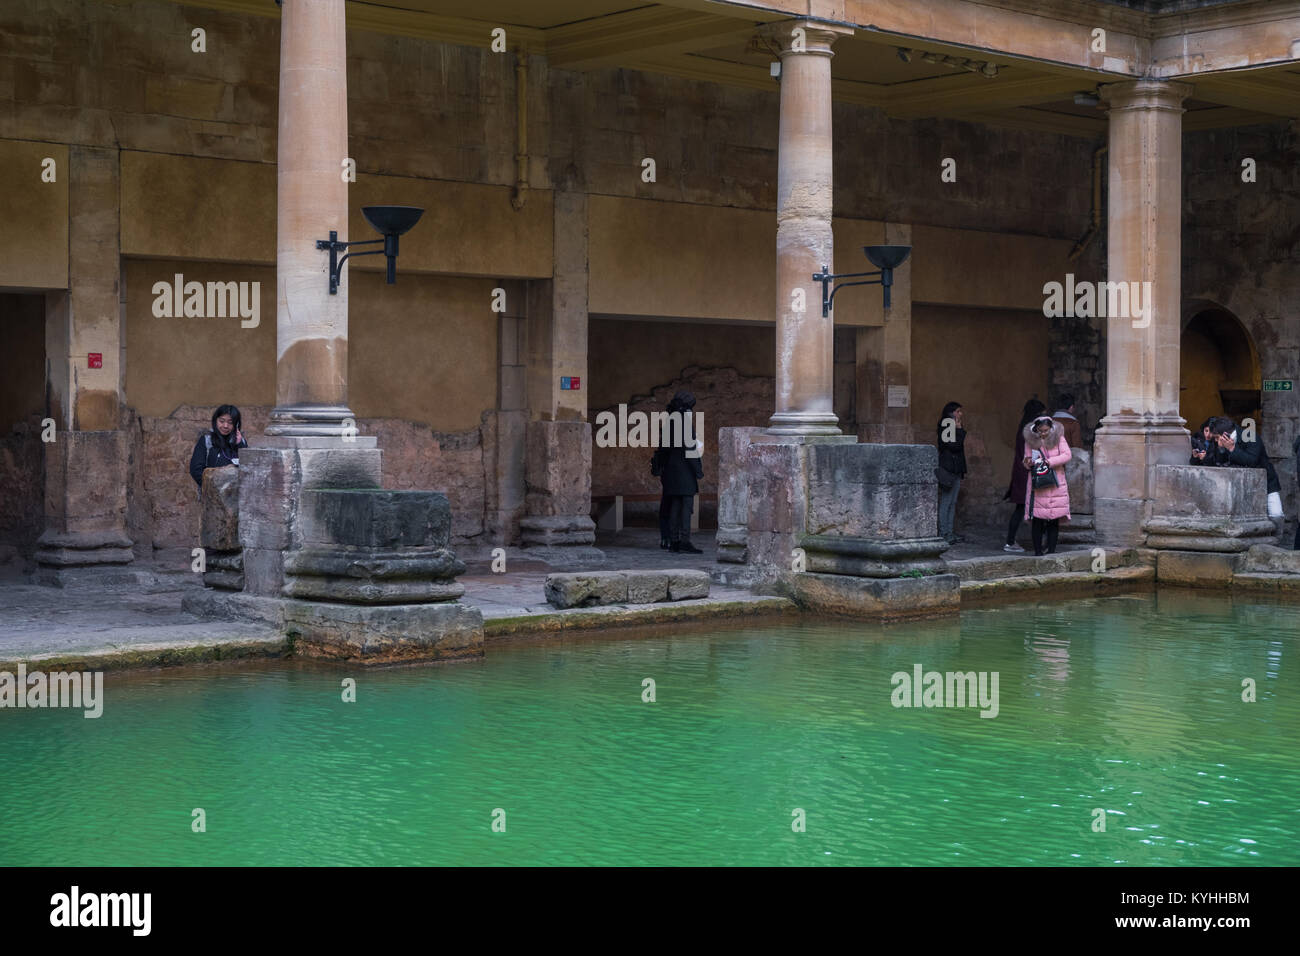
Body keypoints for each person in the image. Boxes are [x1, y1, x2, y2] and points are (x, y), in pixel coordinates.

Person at [652, 390, 704, 554]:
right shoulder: (684, 423)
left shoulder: (670, 422)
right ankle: (685, 541)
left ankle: (674, 540)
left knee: (674, 506)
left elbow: (663, 449)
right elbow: (691, 450)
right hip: (684, 471)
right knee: (686, 507)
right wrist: (698, 470)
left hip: (670, 471)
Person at [1209, 416, 1283, 518]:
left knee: (1276, 514)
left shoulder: (1250, 436)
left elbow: (1252, 461)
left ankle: (1278, 534)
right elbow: (1220, 464)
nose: (1217, 441)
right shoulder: (1223, 443)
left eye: (1217, 437)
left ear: (1225, 435)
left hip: (1267, 483)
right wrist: (1221, 450)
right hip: (1240, 486)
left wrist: (1232, 448)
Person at [1023, 414, 1071, 556]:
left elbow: (1067, 455)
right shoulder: (1030, 440)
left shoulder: (1059, 438)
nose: (1043, 433)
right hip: (1038, 482)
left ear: (1051, 428)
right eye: (1040, 431)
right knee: (1037, 519)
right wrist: (1028, 462)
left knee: (1053, 520)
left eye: (1046, 431)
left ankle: (1051, 551)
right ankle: (1038, 552)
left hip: (1055, 482)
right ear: (1036, 429)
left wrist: (1050, 461)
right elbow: (1026, 458)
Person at [1003, 398, 1046, 552]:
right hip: (1028, 473)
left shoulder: (1023, 428)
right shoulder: (1032, 431)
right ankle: (1013, 542)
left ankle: (1013, 540)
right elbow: (1034, 454)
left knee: (1022, 508)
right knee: (1026, 508)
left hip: (1021, 472)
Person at [190, 404, 247, 490]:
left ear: (236, 425)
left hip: (234, 495)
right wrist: (213, 488)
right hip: (212, 494)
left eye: (230, 422)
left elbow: (247, 468)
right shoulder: (206, 440)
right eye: (222, 421)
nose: (225, 426)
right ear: (215, 421)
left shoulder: (241, 442)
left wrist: (240, 445)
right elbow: (196, 469)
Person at [935, 401, 967, 544]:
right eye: (958, 411)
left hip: (955, 468)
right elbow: (953, 446)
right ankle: (944, 533)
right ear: (952, 412)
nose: (961, 414)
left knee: (952, 502)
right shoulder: (947, 423)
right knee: (947, 501)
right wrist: (959, 430)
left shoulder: (949, 423)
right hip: (949, 468)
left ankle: (949, 532)